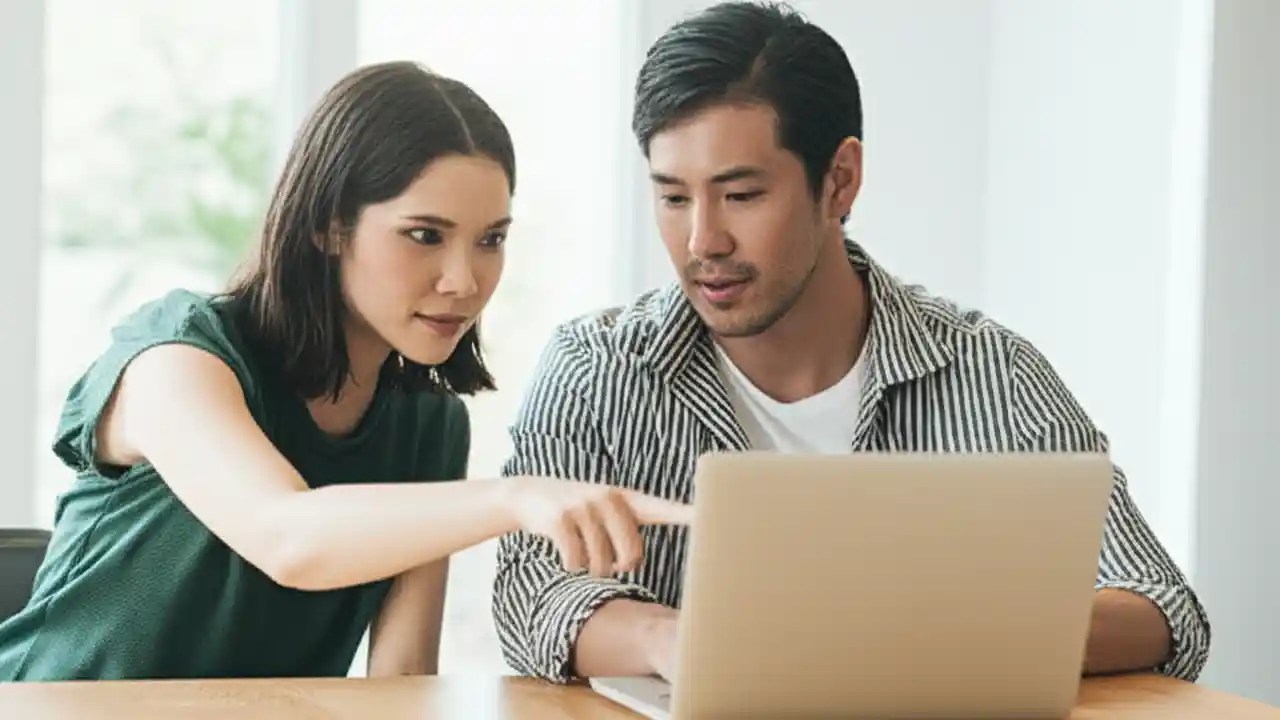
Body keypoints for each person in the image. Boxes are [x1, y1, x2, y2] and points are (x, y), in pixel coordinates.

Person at [492, 1, 1210, 685]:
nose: (702, 241)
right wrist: (673, 640)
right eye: (674, 197)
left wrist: (946, 637)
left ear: (839, 181)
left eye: (741, 196)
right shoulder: (597, 370)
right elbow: (531, 593)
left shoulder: (989, 371)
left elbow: (1159, 605)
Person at [0, 61, 689, 682]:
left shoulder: (428, 424)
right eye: (425, 235)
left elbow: (403, 676)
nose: (464, 280)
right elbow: (286, 536)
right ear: (329, 226)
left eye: (491, 240)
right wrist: (514, 498)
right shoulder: (176, 358)